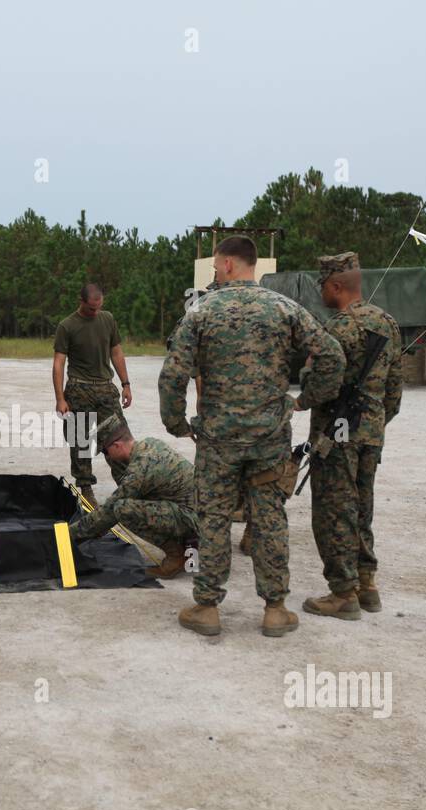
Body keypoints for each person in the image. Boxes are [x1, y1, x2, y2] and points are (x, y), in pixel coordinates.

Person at [159, 235, 345, 640]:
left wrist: (176, 422)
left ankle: (207, 607)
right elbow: (332, 355)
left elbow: (173, 373)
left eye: (214, 265)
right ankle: (275, 609)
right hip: (269, 440)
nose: (213, 272)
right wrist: (305, 399)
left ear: (227, 264)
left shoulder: (201, 311)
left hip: (218, 442)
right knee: (269, 519)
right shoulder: (284, 308)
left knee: (213, 519)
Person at [303, 252, 403, 619]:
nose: (322, 294)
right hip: (371, 432)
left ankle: (343, 593)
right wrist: (376, 421)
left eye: (323, 286)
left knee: (333, 510)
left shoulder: (335, 330)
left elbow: (318, 386)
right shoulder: (388, 323)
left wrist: (301, 401)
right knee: (362, 506)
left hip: (336, 435)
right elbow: (394, 388)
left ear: (336, 286)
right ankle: (367, 584)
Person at [70, 415, 197, 579]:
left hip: (195, 518)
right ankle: (190, 543)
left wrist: (70, 534)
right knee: (139, 501)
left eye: (106, 452)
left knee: (123, 509)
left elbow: (109, 511)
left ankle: (176, 556)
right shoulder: (150, 444)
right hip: (202, 509)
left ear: (116, 446)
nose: (107, 457)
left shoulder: (139, 470)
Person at [52, 283, 132, 505]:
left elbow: (116, 352)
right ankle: (86, 489)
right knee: (81, 442)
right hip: (79, 390)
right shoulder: (67, 326)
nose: (95, 312)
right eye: (91, 308)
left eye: (98, 308)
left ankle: (128, 486)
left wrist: (126, 383)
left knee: (119, 438)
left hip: (106, 389)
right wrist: (60, 398)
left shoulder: (107, 319)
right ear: (81, 301)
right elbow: (59, 363)